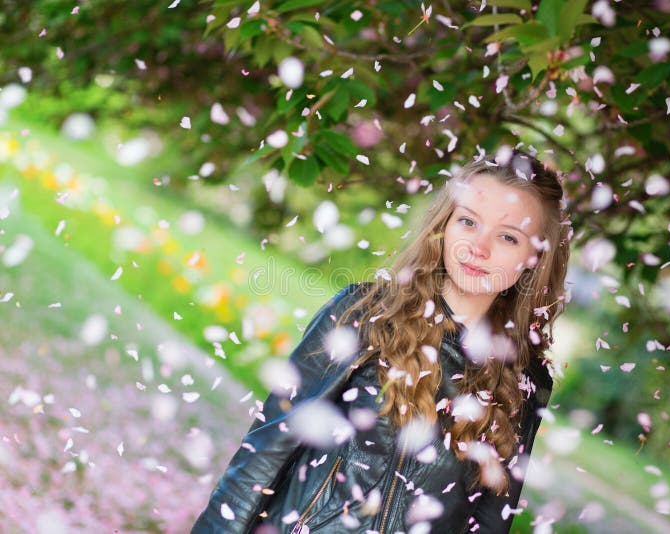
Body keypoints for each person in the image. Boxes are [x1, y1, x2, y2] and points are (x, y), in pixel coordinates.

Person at [191, 147, 571, 533]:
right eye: (468, 221)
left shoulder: (526, 379)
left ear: (535, 257)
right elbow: (264, 454)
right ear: (445, 224)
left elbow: (490, 522)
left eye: (507, 237)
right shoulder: (366, 312)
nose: (479, 247)